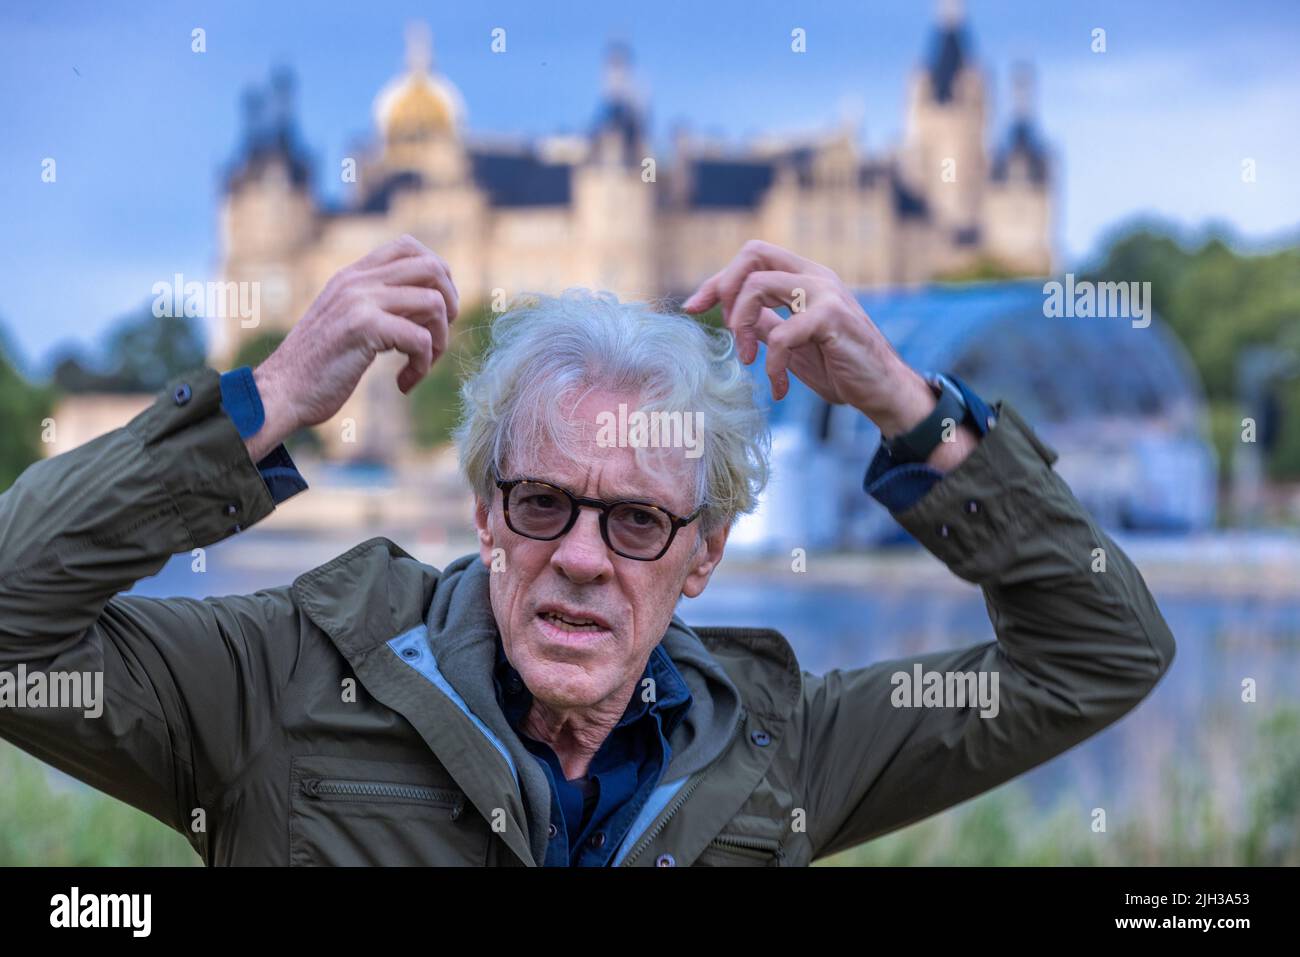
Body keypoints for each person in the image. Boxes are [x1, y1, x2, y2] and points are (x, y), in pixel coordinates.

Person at [0, 236, 1175, 866]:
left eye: (637, 522)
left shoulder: (781, 746)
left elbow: (1102, 652)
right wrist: (260, 402)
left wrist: (919, 415)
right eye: (543, 504)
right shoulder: (278, 683)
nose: (579, 558)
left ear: (703, 555)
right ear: (482, 512)